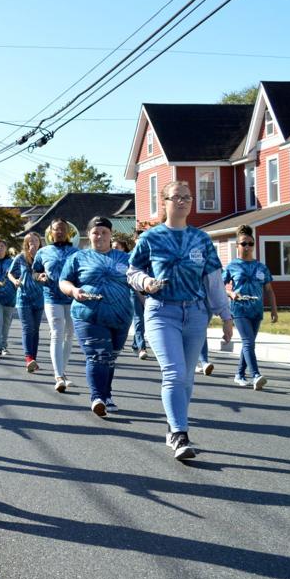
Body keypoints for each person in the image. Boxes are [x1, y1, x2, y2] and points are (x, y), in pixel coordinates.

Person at [127, 181, 233, 460]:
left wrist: (225, 315)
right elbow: (132, 271)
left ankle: (175, 426)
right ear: (164, 201)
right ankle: (179, 433)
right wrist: (146, 281)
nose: (183, 201)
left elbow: (213, 281)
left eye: (188, 197)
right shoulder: (151, 238)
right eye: (177, 197)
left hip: (196, 313)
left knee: (186, 378)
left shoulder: (201, 239)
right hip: (162, 311)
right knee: (173, 373)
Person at [60, 217, 133, 416]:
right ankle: (97, 397)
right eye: (95, 232)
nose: (99, 236)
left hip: (121, 316)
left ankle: (106, 394)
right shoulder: (78, 258)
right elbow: (63, 281)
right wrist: (74, 291)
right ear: (89, 235)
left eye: (104, 232)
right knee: (97, 355)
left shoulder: (125, 259)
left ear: (111, 235)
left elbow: (138, 285)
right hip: (88, 314)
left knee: (110, 358)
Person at [225, 224, 278, 389]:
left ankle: (239, 374)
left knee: (249, 343)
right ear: (237, 246)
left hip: (257, 310)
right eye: (243, 243)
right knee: (248, 341)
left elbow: (269, 290)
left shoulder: (261, 267)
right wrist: (231, 293)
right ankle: (256, 375)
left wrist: (274, 310)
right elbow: (219, 286)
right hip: (239, 309)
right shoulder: (232, 266)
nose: (247, 247)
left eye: (250, 243)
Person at [37, 219, 77, 391]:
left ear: (68, 231)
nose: (59, 232)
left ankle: (63, 370)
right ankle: (58, 375)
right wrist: (39, 277)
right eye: (55, 229)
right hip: (51, 297)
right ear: (50, 232)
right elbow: (35, 271)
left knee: (69, 335)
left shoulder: (76, 252)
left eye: (62, 229)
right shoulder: (43, 252)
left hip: (71, 297)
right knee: (56, 333)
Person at [9, 232, 45, 373]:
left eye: (35, 240)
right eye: (30, 241)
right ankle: (28, 358)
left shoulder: (43, 257)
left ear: (39, 242)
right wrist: (15, 281)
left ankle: (33, 360)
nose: (33, 243)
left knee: (35, 330)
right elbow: (10, 273)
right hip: (23, 297)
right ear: (26, 243)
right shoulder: (20, 258)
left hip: (39, 298)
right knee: (27, 328)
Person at [113, 237, 151, 359]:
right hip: (133, 292)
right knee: (138, 319)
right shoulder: (130, 257)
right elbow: (130, 278)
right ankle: (141, 347)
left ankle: (136, 344)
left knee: (143, 320)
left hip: (149, 291)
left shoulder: (151, 254)